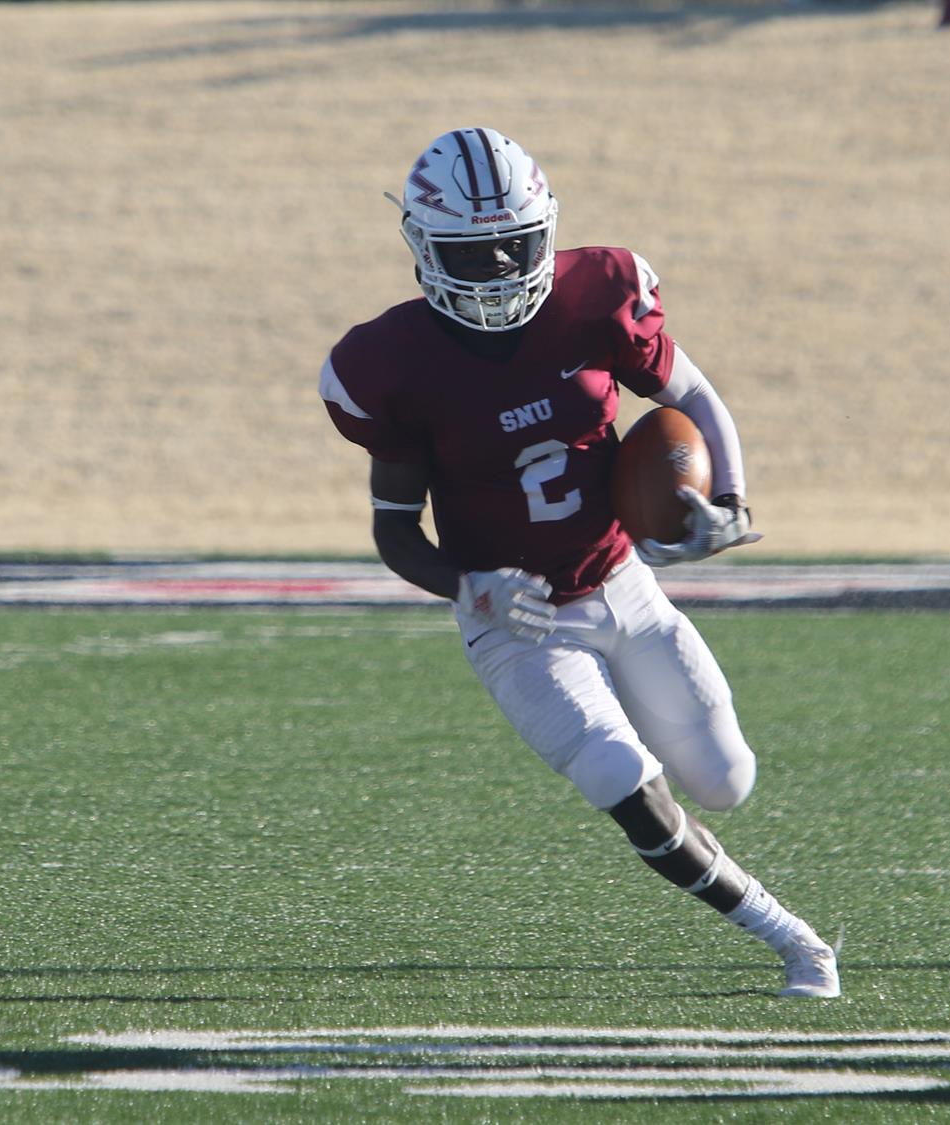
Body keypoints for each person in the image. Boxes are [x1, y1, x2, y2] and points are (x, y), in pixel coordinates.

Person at [319, 127, 840, 998]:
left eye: (510, 246)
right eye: (467, 252)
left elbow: (693, 397)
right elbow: (394, 530)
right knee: (612, 769)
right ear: (419, 245)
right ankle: (792, 937)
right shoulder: (392, 363)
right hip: (519, 624)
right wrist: (466, 584)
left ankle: (714, 831)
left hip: (623, 582)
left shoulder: (598, 297)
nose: (492, 269)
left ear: (545, 230)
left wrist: (731, 503)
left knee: (726, 780)